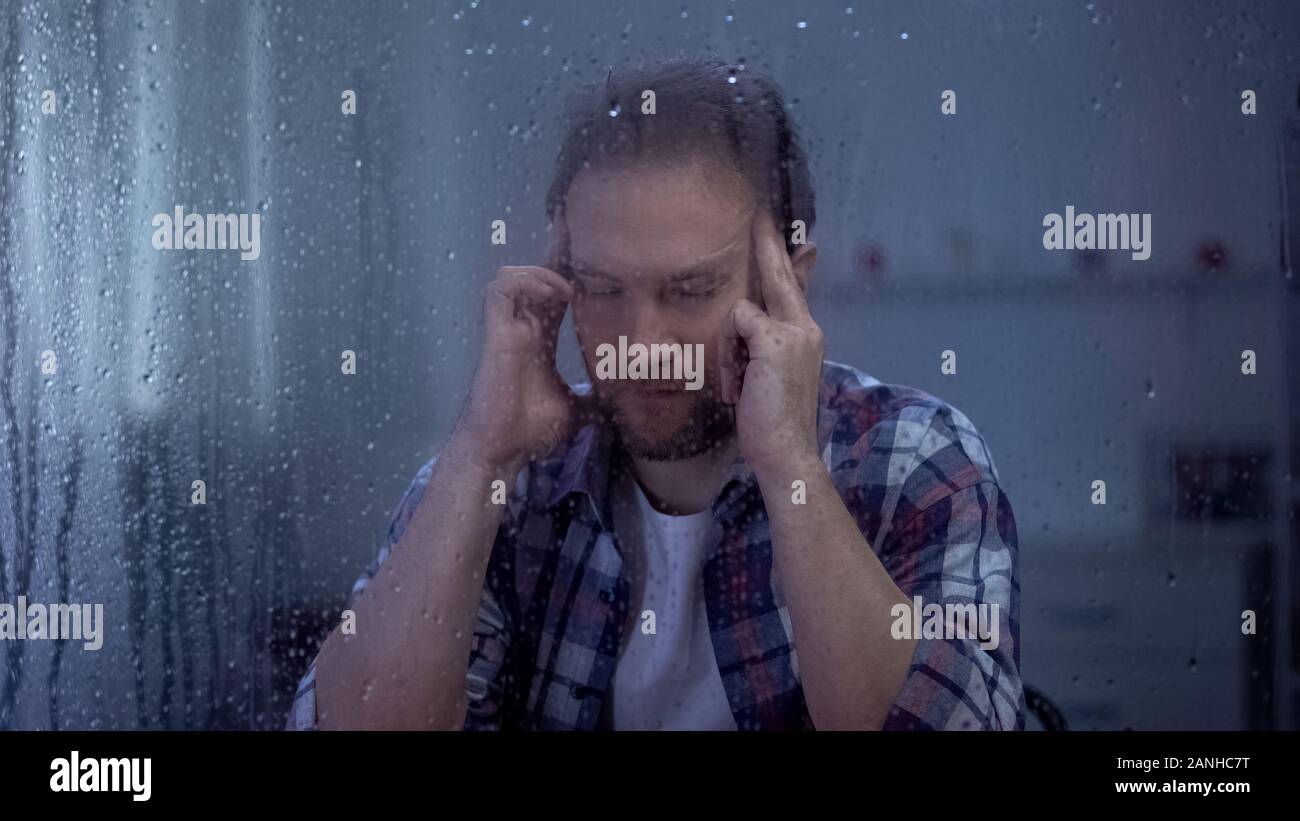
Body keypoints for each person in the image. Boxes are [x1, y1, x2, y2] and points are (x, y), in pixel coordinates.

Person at [288, 55, 1022, 731]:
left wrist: (790, 462)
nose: (641, 342)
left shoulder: (911, 459)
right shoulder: (507, 476)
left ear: (788, 285)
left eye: (690, 289)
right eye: (602, 288)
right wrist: (481, 454)